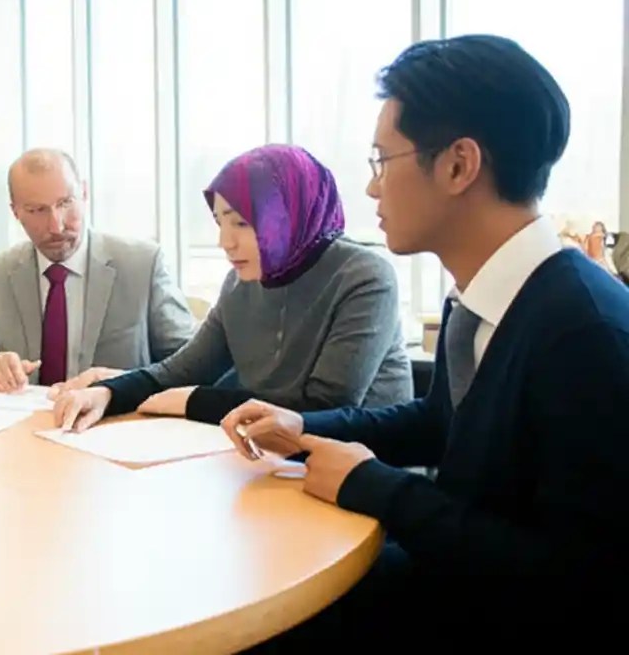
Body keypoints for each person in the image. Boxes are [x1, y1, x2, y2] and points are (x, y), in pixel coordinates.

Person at [225, 35, 629, 648]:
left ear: (459, 165)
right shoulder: (483, 296)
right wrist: (307, 430)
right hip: (457, 579)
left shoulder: (585, 332)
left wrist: (376, 485)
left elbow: (576, 577)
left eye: (382, 161)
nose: (371, 190)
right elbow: (443, 420)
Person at [51, 144, 412, 432]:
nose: (225, 242)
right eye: (220, 222)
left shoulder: (364, 275)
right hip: (271, 459)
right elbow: (183, 371)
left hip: (362, 470)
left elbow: (325, 408)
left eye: (241, 223)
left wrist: (194, 401)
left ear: (287, 217)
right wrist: (106, 394)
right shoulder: (240, 283)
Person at [0, 148, 195, 392]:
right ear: (15, 211)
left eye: (65, 203)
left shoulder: (142, 264)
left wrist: (126, 384)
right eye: (37, 210)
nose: (56, 225)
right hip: (25, 422)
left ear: (84, 193)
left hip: (118, 421)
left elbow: (192, 362)